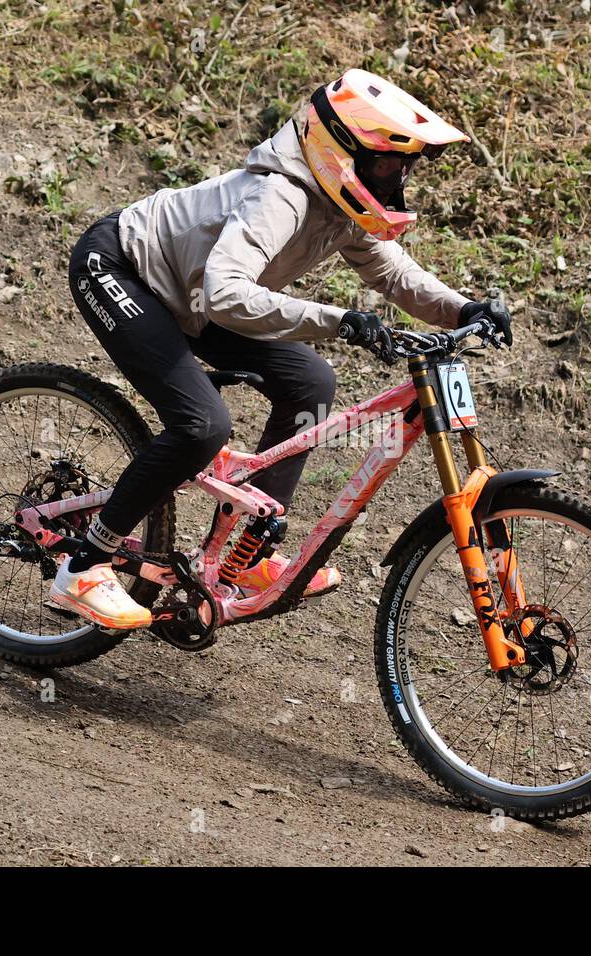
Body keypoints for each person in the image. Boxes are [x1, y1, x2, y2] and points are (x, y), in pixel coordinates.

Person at [48, 68, 513, 629]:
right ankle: (85, 562)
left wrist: (464, 309)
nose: (398, 179)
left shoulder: (342, 205)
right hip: (125, 269)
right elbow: (225, 293)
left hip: (198, 296)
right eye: (389, 164)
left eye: (406, 167)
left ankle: (247, 556)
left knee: (309, 382)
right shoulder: (280, 195)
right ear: (341, 150)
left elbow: (391, 271)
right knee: (201, 425)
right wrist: (339, 321)